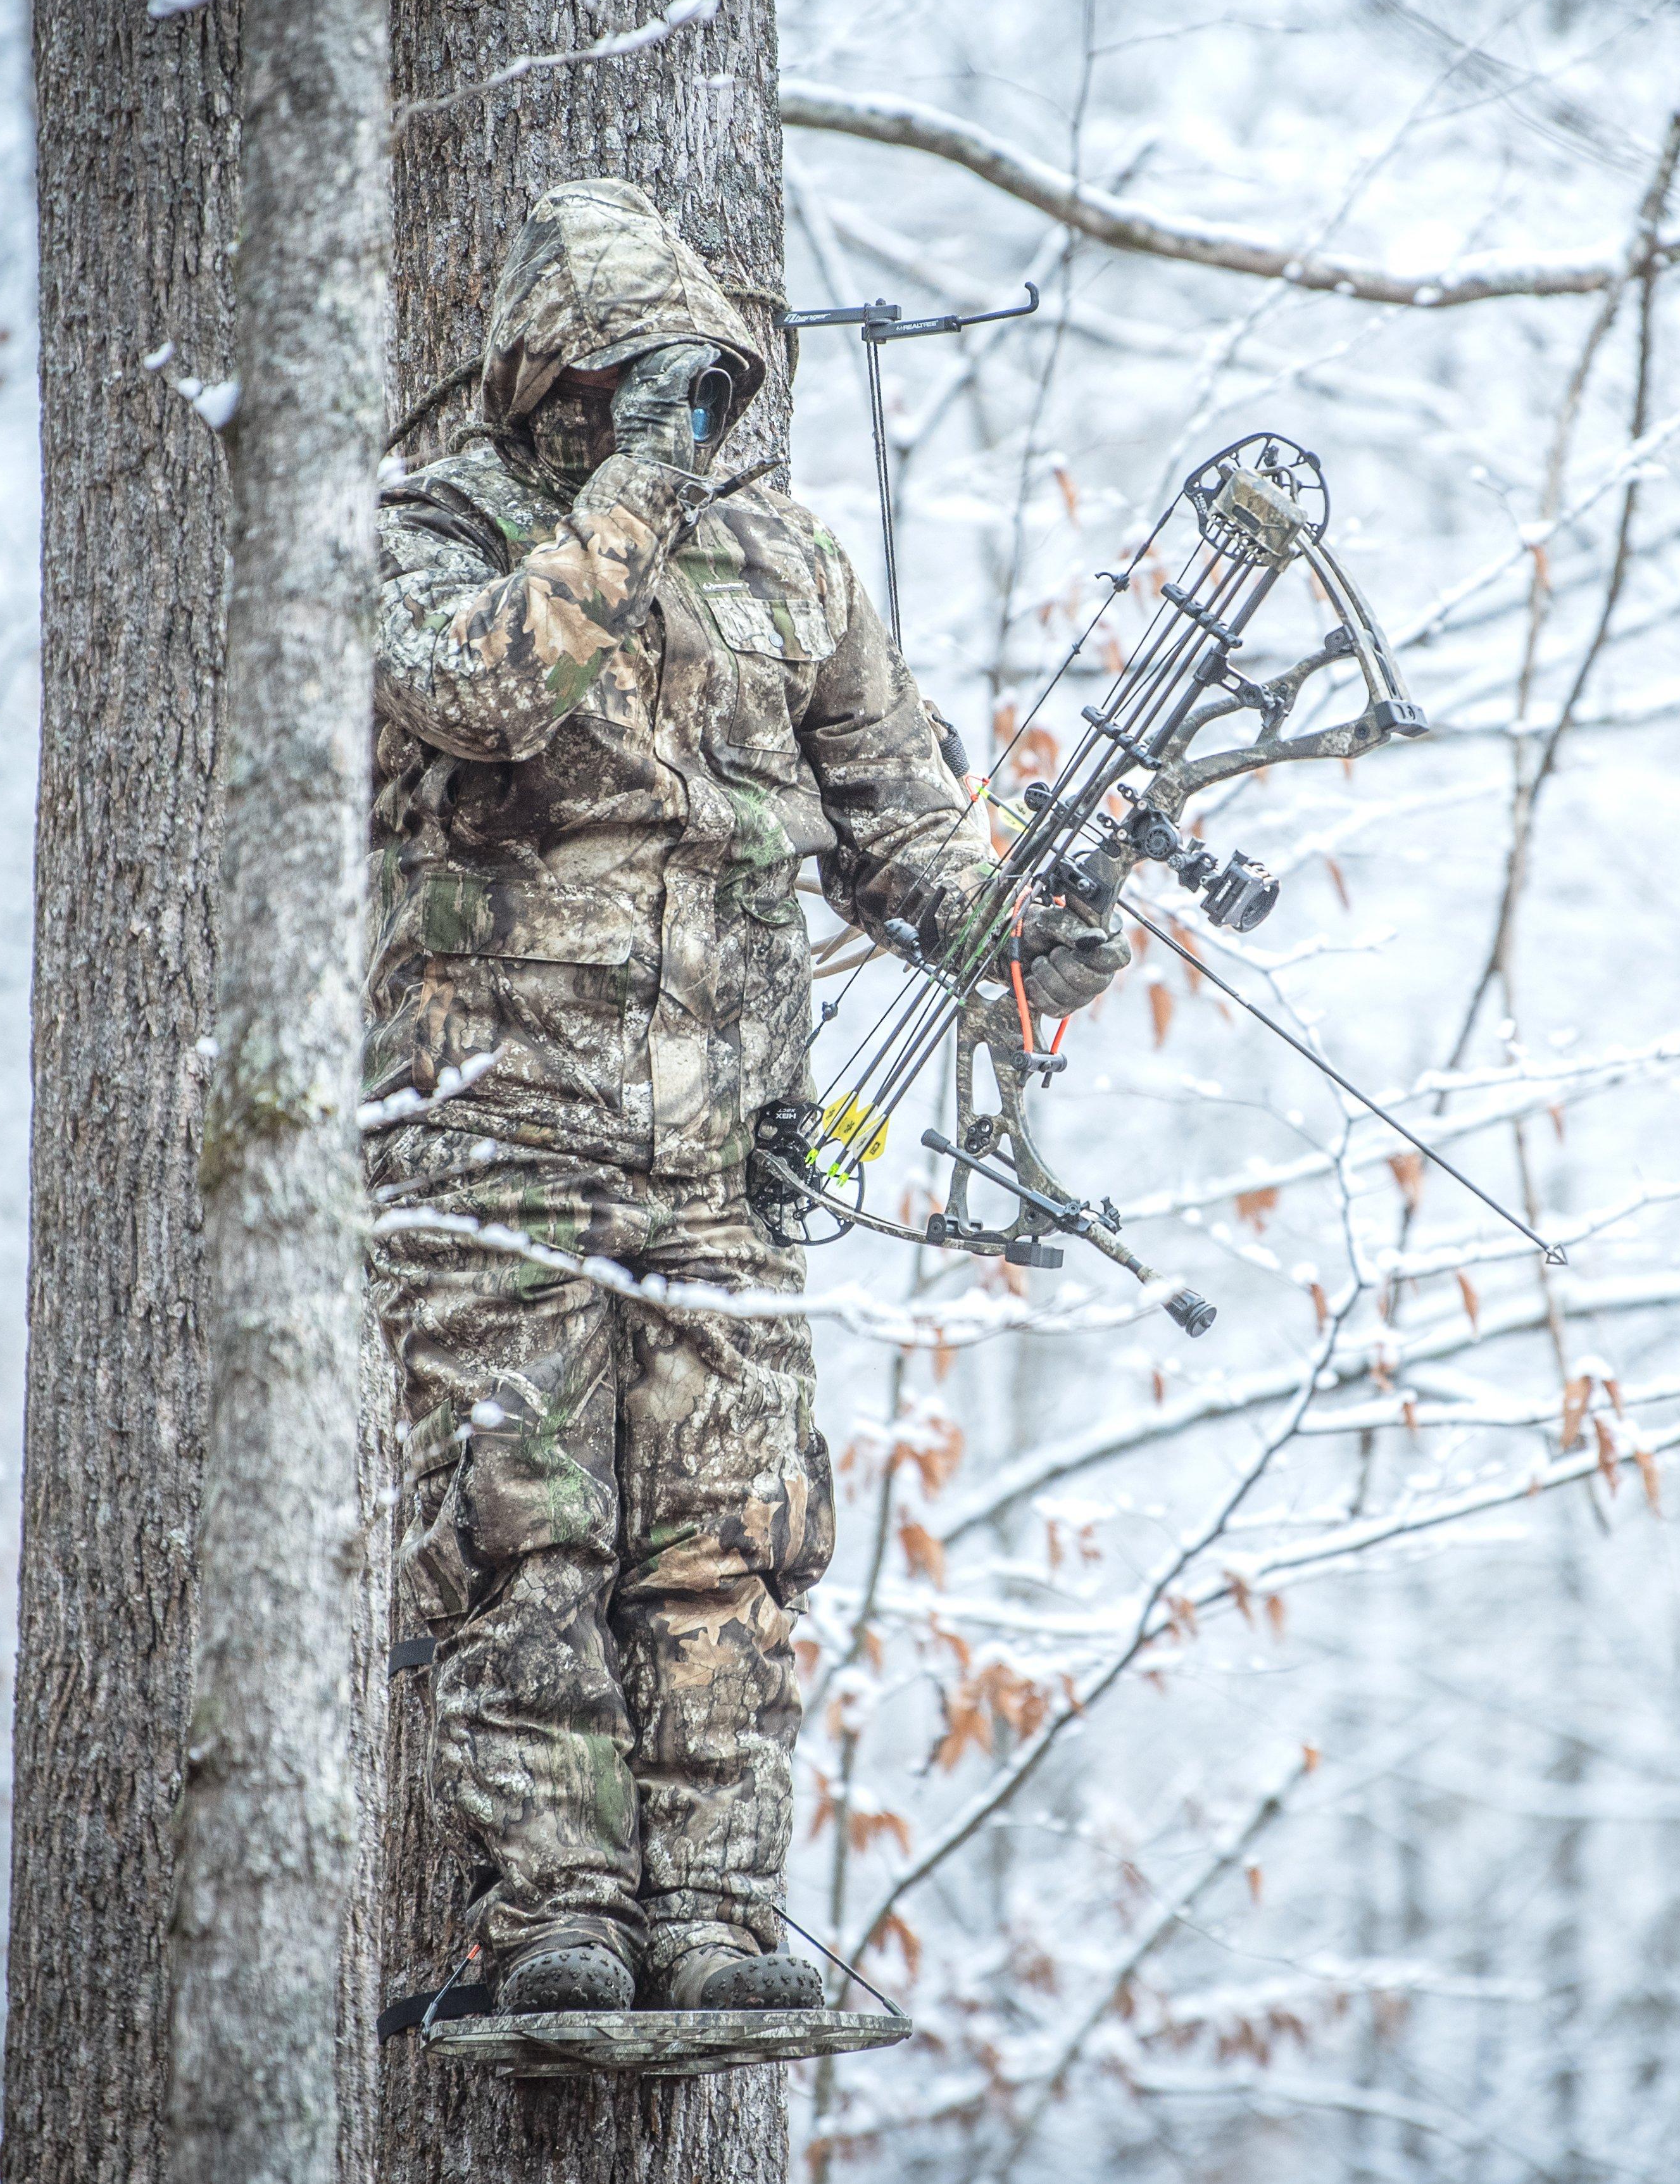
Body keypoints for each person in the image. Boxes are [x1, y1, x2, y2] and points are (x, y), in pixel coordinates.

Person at [363, 179, 1125, 2015]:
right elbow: (475, 691)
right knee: (521, 1523)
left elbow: (912, 836)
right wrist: (627, 495)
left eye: (698, 384)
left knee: (727, 1534)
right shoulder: (430, 528)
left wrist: (1043, 920)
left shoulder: (789, 565)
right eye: (633, 382)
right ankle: (553, 1910)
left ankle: (707, 1907)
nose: (679, 411)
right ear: (552, 376)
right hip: (493, 1143)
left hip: (729, 1155)